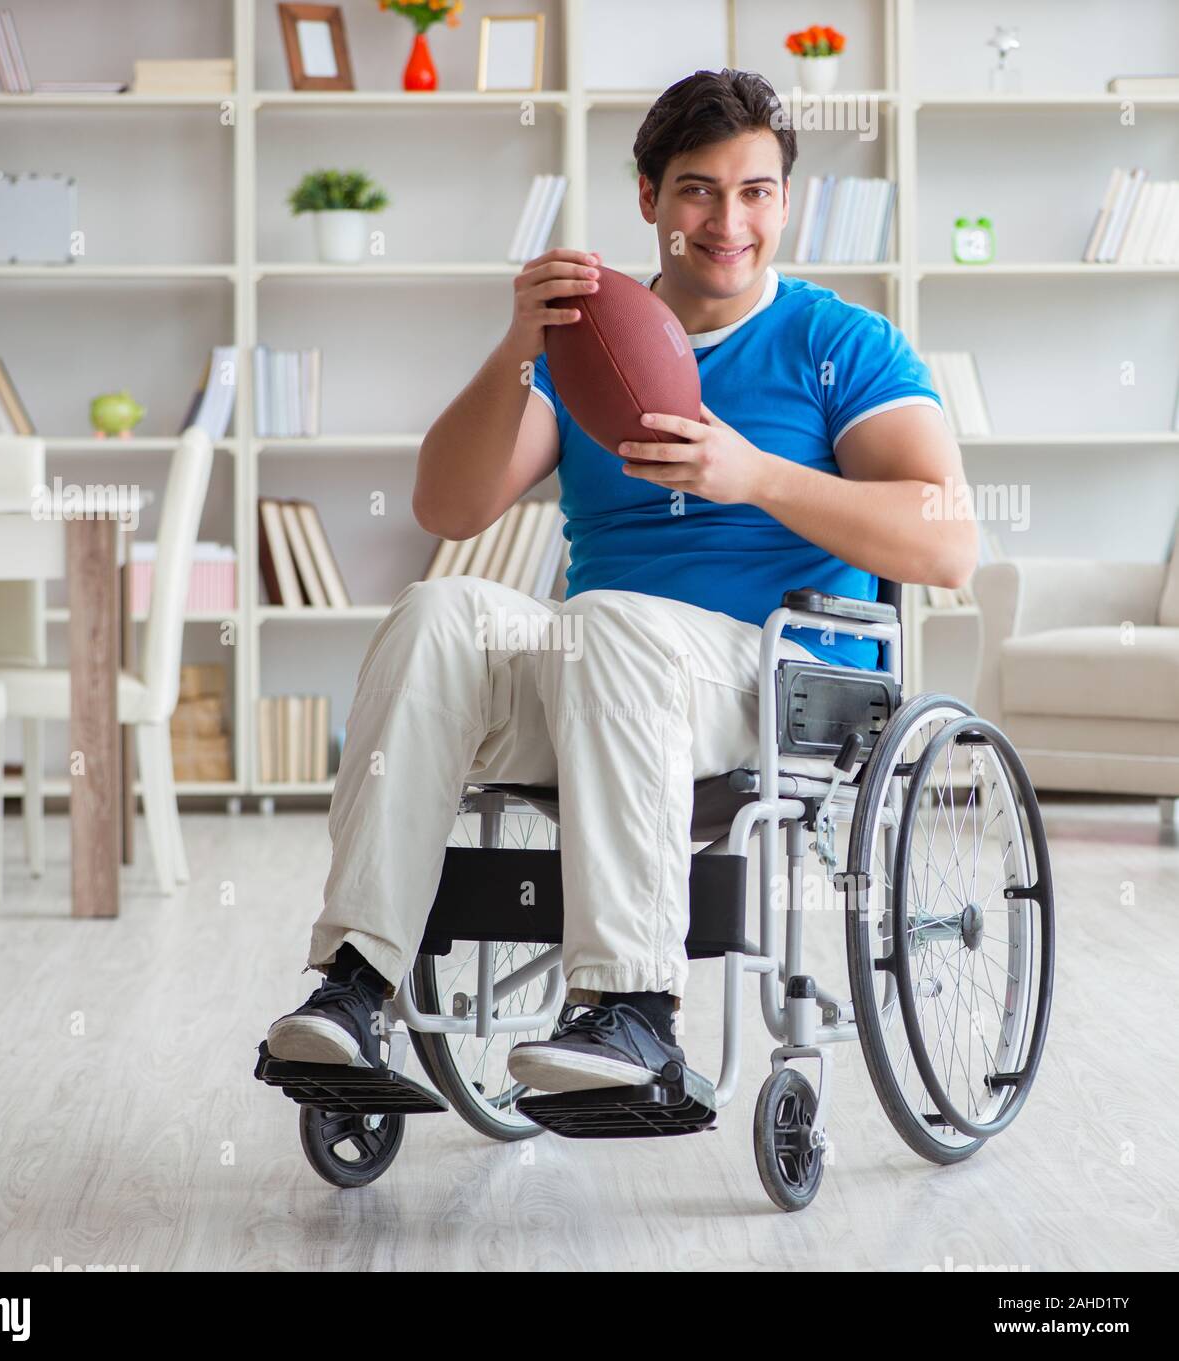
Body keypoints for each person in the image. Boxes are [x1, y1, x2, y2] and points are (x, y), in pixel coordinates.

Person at [265, 68, 976, 1093]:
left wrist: (757, 476)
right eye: (697, 190)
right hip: (598, 674)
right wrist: (521, 343)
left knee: (605, 623)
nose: (727, 222)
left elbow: (950, 544)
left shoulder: (839, 344)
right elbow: (448, 507)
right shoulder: (588, 350)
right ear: (648, 197)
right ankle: (354, 981)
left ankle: (633, 1008)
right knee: (439, 610)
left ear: (786, 201)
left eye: (755, 192)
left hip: (773, 680)